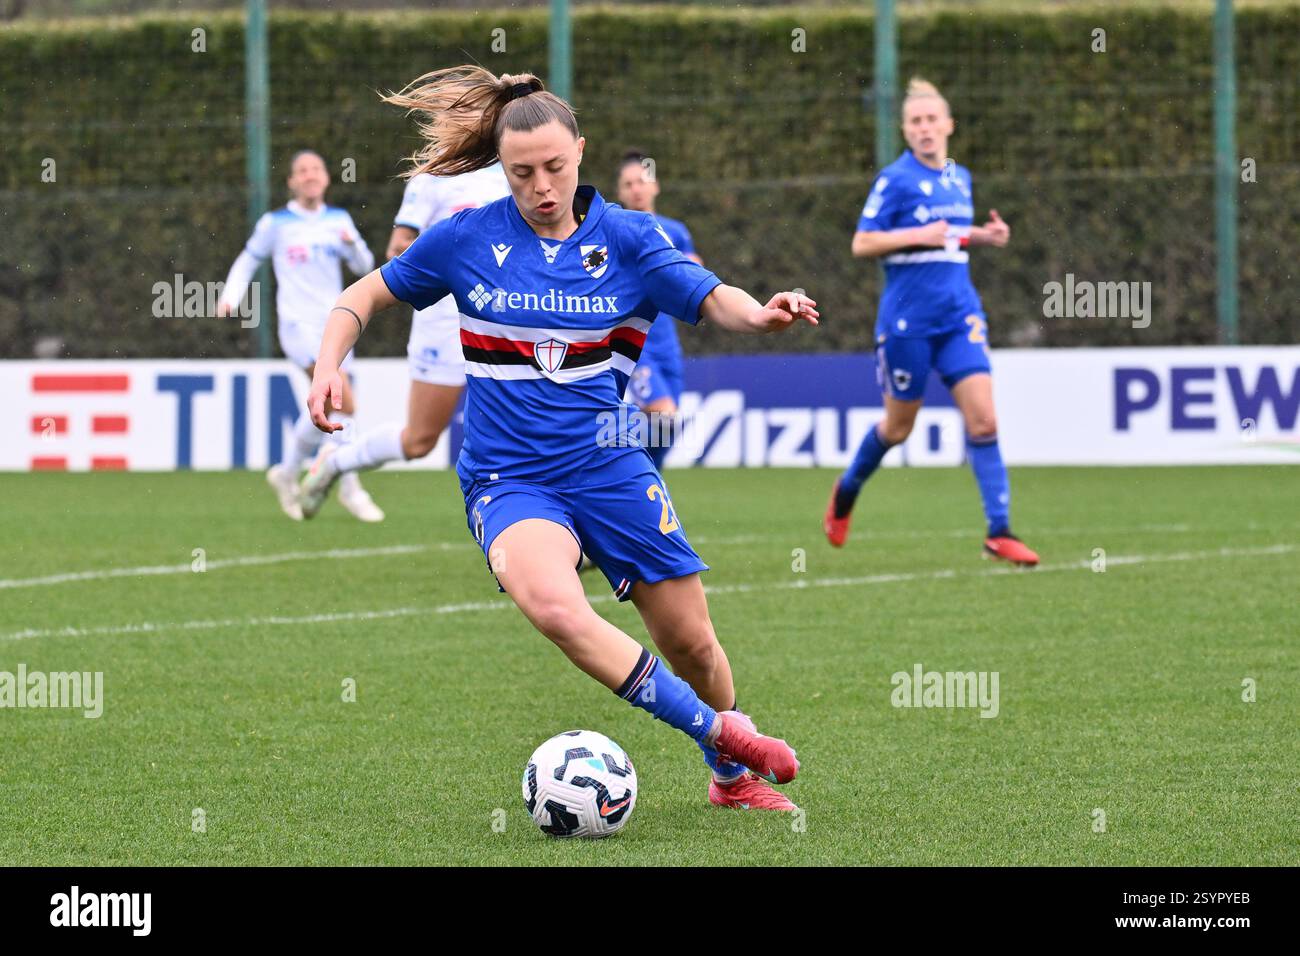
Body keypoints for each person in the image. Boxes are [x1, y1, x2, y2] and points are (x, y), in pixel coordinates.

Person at [308, 67, 818, 811]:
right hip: (509, 479)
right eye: (521, 173)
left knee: (694, 645)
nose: (541, 185)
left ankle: (727, 778)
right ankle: (725, 735)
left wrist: (764, 313)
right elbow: (365, 294)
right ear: (500, 170)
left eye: (555, 166)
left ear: (580, 151)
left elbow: (714, 296)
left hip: (609, 464)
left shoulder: (631, 240)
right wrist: (328, 362)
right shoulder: (466, 239)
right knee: (553, 607)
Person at [824, 78, 1039, 566]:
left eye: (931, 120)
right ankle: (847, 490)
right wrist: (918, 233)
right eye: (915, 122)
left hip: (959, 315)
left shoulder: (957, 177)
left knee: (984, 418)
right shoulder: (894, 180)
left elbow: (951, 239)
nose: (924, 129)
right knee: (899, 428)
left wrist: (985, 236)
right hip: (907, 323)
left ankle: (999, 531)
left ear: (948, 125)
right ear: (905, 129)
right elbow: (862, 243)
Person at [298, 162, 510, 516]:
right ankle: (336, 462)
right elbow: (398, 248)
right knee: (420, 440)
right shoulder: (433, 178)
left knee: (529, 424)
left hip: (508, 319)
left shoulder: (516, 169)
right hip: (442, 321)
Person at [217, 149, 382, 522]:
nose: (310, 175)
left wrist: (352, 243)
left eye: (316, 169)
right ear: (292, 181)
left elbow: (365, 266)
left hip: (340, 324)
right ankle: (349, 487)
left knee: (323, 407)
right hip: (298, 327)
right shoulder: (275, 223)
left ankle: (286, 473)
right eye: (302, 171)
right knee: (344, 403)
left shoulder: (338, 219)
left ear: (325, 177)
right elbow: (248, 259)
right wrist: (231, 296)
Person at [615, 149, 698, 470]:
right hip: (635, 345)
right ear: (620, 192)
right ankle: (605, 460)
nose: (635, 188)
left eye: (641, 181)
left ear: (655, 186)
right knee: (664, 415)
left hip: (667, 344)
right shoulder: (615, 230)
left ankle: (645, 485)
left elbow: (694, 273)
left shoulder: (674, 231)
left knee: (667, 428)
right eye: (628, 184)